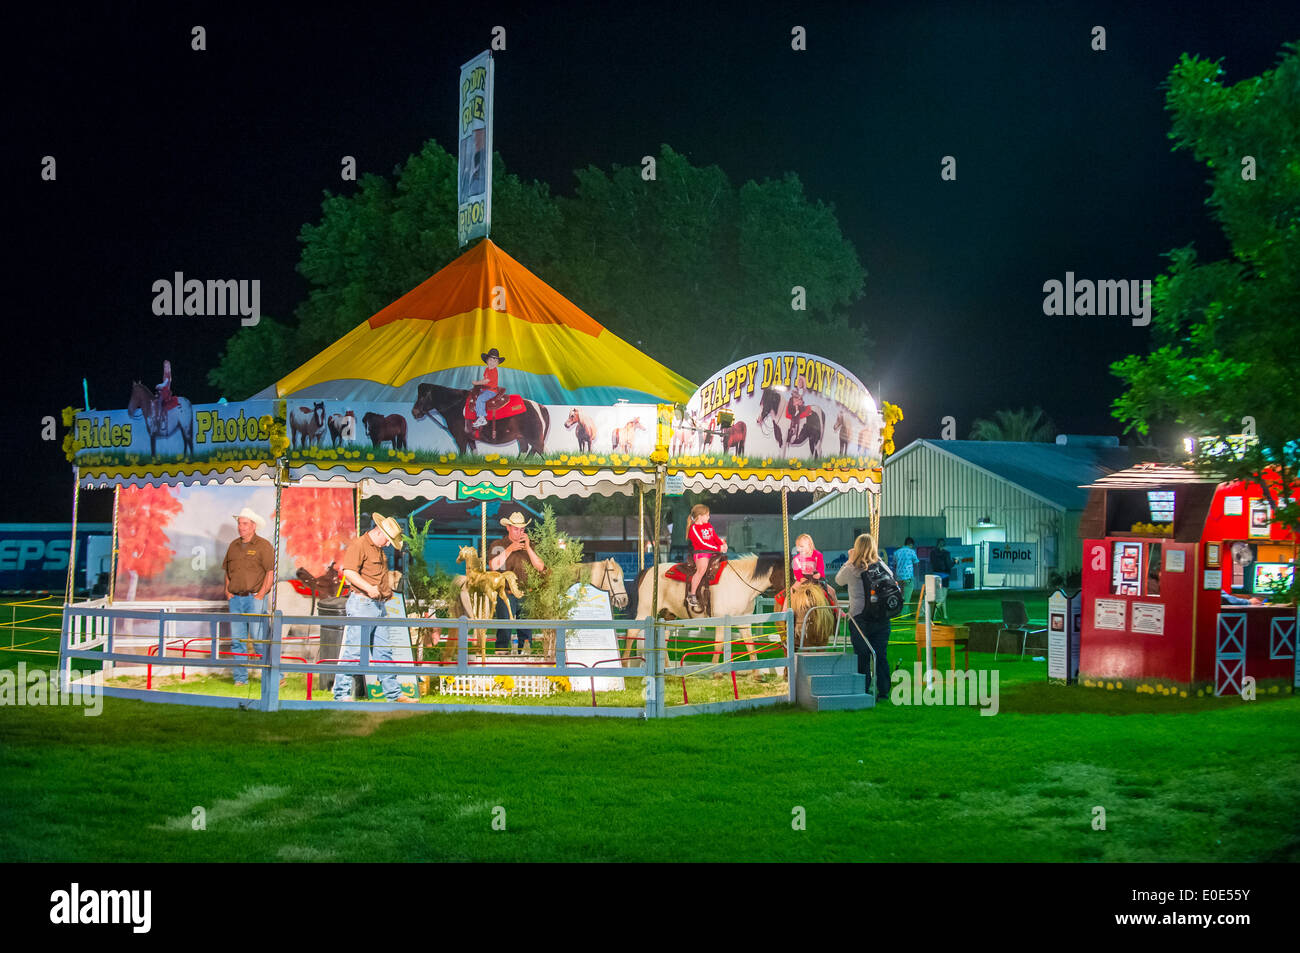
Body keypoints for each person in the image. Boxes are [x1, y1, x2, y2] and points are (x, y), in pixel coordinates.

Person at [333, 513, 413, 702]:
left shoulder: (376, 547)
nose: (388, 544)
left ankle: (393, 694)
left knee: (383, 650)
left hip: (377, 604)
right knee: (353, 650)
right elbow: (349, 572)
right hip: (363, 602)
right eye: (388, 540)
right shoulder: (359, 545)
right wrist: (369, 588)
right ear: (379, 532)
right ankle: (341, 694)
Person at [835, 533, 892, 699]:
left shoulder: (852, 568)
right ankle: (883, 690)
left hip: (859, 617)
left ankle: (863, 689)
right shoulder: (881, 565)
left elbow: (838, 580)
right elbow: (892, 577)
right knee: (880, 655)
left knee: (863, 655)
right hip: (882, 618)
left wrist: (849, 559)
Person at [223, 506, 274, 686]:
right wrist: (228, 591)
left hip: (254, 599)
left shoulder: (263, 546)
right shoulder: (233, 546)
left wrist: (261, 595)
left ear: (253, 526)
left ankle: (275, 677)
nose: (241, 527)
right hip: (236, 599)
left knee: (259, 640)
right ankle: (240, 679)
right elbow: (228, 571)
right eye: (239, 524)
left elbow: (270, 573)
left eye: (244, 524)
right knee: (238, 641)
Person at [488, 511, 546, 653]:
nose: (519, 532)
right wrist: (509, 549)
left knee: (526, 629)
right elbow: (493, 566)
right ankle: (501, 656)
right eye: (515, 528)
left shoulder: (531, 545)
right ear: (508, 527)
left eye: (522, 529)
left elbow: (540, 567)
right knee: (504, 627)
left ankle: (525, 655)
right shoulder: (499, 544)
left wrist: (528, 548)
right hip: (506, 593)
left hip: (527, 592)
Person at [686, 503, 726, 612]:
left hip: (712, 551)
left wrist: (722, 544)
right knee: (702, 569)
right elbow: (702, 543)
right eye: (707, 515)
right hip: (701, 552)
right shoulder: (694, 528)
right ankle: (692, 594)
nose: (709, 517)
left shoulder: (709, 526)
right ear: (700, 515)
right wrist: (718, 548)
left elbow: (715, 538)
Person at [471, 348, 504, 429]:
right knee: (475, 393)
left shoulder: (493, 371)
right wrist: (478, 382)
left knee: (480, 398)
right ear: (487, 361)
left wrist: (476, 383)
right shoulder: (487, 369)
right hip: (486, 388)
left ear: (497, 364)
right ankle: (477, 407)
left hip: (491, 390)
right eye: (490, 360)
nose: (492, 363)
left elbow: (486, 381)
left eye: (495, 361)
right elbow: (483, 379)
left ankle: (481, 418)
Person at [930, 538, 955, 621]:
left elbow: (932, 563)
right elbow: (949, 565)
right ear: (944, 545)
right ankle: (933, 615)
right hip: (944, 577)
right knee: (942, 598)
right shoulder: (946, 553)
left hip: (935, 576)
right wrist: (955, 561)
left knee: (939, 597)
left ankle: (945, 615)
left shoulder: (932, 553)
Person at [892, 537, 920, 608]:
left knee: (901, 597)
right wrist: (916, 575)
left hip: (899, 577)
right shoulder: (912, 551)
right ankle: (904, 615)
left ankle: (898, 612)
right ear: (911, 544)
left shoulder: (897, 552)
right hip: (908, 577)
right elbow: (916, 563)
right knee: (907, 598)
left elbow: (894, 565)